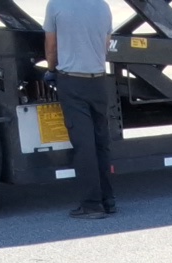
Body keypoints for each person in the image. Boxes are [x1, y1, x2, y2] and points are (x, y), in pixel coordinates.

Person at [44, 0, 116, 218]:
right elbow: (105, 45)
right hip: (98, 81)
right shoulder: (103, 6)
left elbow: (51, 46)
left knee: (84, 146)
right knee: (100, 143)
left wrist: (51, 69)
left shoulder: (56, 6)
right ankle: (108, 200)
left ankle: (92, 205)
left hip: (72, 82)